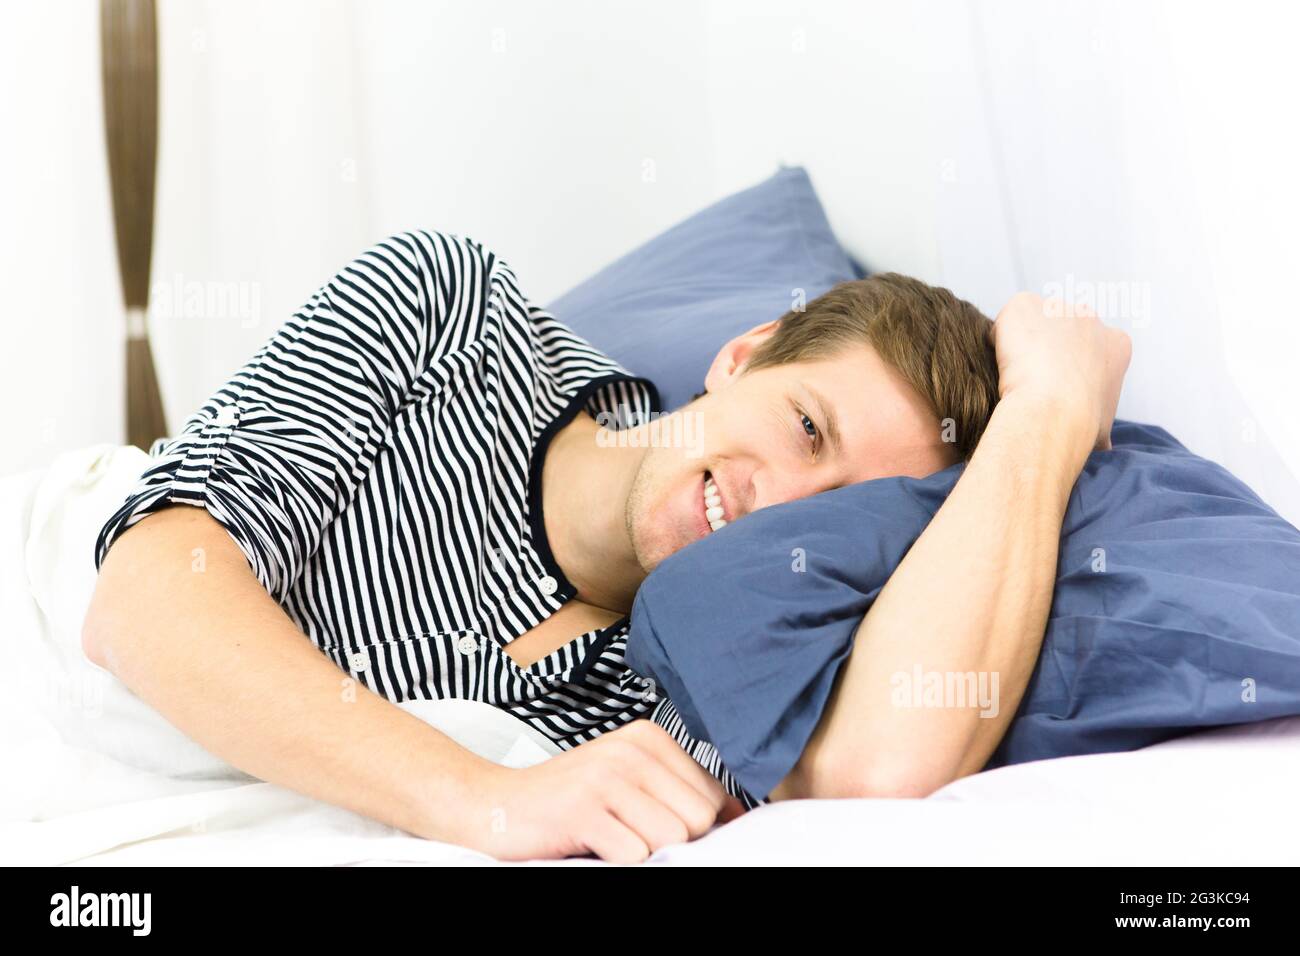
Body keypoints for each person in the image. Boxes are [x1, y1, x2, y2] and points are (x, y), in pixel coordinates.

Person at [81, 229, 1130, 863]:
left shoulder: (729, 658)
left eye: (839, 511)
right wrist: (485, 797)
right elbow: (141, 594)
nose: (781, 507)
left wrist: (1047, 419)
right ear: (744, 353)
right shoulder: (454, 318)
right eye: (807, 427)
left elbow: (880, 763)